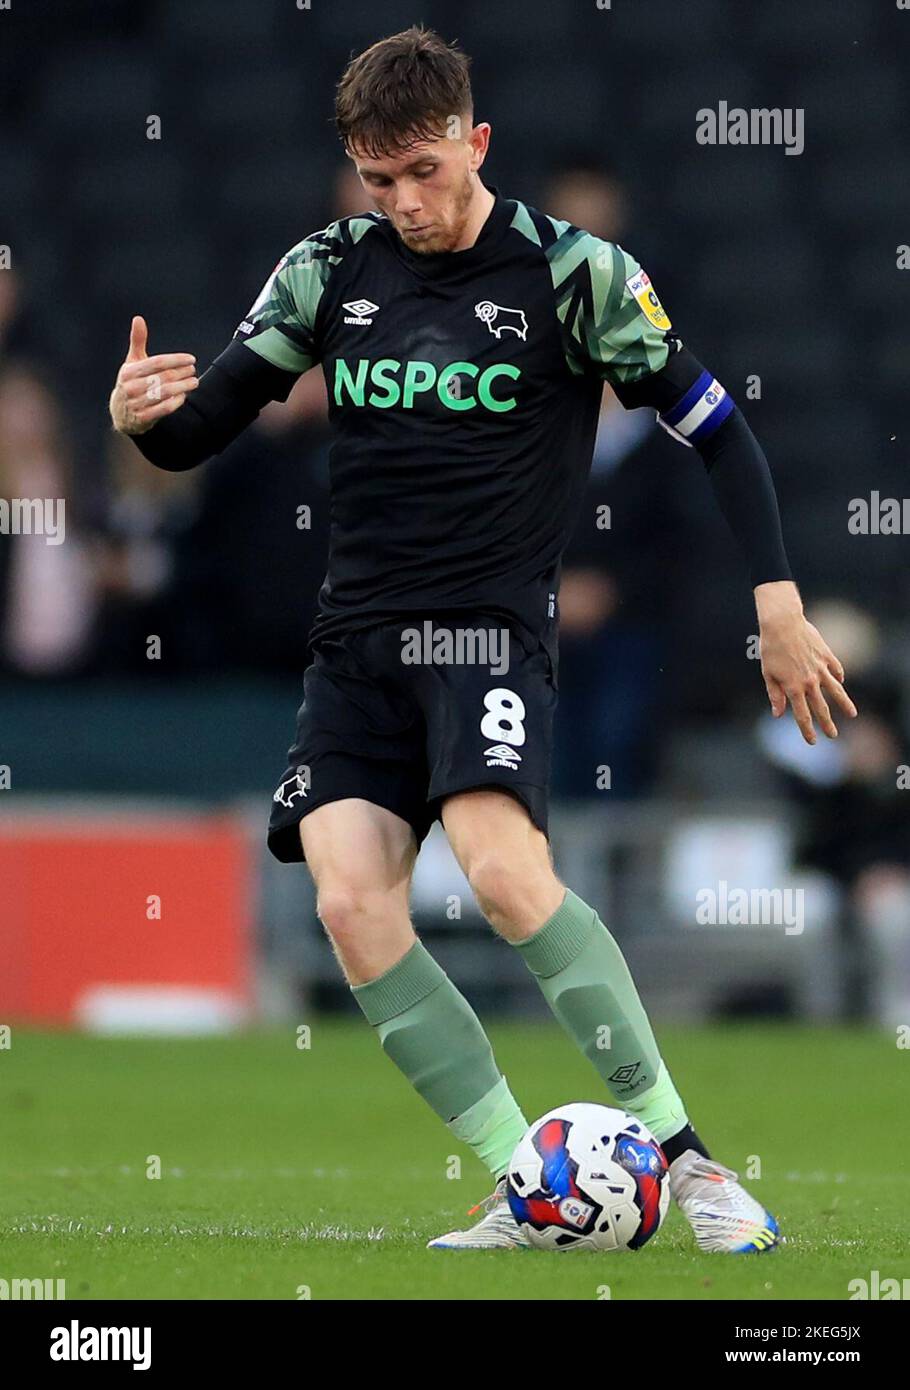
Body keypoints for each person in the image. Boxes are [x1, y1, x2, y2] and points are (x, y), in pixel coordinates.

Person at [109, 26, 857, 1252]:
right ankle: (530, 1181)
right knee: (353, 906)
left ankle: (692, 1163)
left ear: (476, 142)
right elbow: (199, 432)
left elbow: (717, 429)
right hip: (354, 640)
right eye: (376, 179)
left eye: (423, 172)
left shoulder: (576, 276)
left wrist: (776, 601)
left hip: (487, 632)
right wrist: (139, 422)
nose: (402, 203)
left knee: (507, 877)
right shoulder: (325, 270)